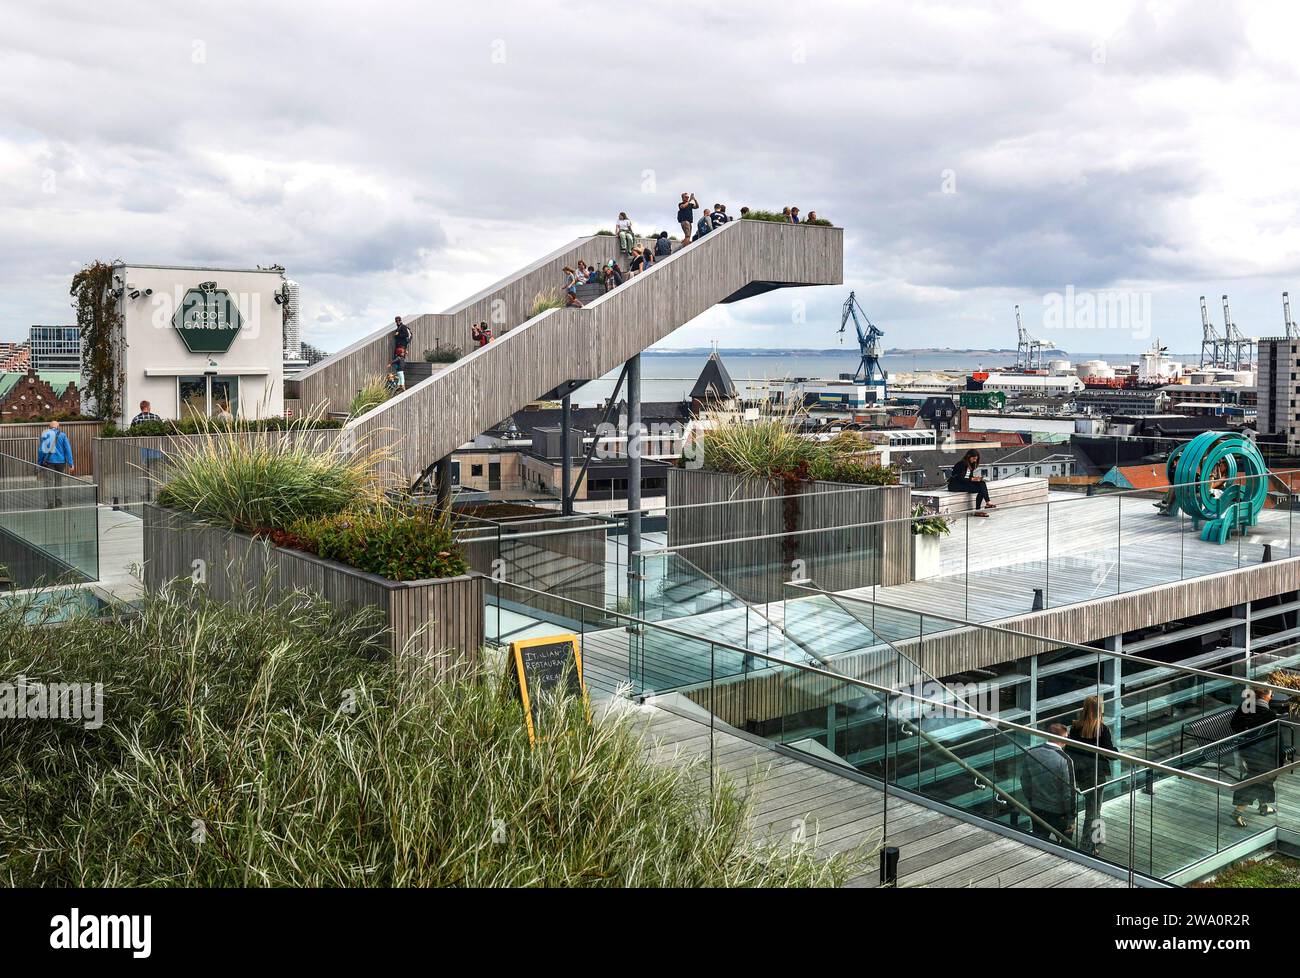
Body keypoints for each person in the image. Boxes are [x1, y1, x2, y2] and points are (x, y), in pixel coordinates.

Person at [1065, 695, 1116, 853]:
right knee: (1093, 811)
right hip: (1095, 775)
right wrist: (1116, 751)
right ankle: (1087, 848)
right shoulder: (1102, 729)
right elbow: (1111, 754)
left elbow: (1070, 749)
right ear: (1100, 710)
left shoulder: (1075, 727)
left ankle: (1095, 842)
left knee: (1093, 810)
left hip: (1078, 773)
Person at [1228, 686, 1280, 827]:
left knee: (1262, 777)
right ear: (1264, 696)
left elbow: (1235, 724)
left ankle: (1263, 806)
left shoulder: (1246, 706)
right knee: (1260, 778)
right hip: (1262, 753)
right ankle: (1238, 811)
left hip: (1245, 749)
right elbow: (1274, 738)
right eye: (1270, 693)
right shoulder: (1268, 715)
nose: (1272, 695)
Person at [1021, 724, 1078, 845]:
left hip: (1037, 807)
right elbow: (1069, 792)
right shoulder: (1065, 760)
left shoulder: (1031, 752)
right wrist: (1071, 818)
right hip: (1058, 811)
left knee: (1039, 843)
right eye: (1066, 738)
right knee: (1066, 846)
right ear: (1061, 739)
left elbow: (1025, 780)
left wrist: (1031, 800)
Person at [37, 420, 75, 509]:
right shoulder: (63, 435)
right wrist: (71, 463)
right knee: (58, 482)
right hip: (61, 462)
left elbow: (41, 451)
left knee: (49, 483)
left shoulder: (45, 435)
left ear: (49, 427)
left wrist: (39, 463)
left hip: (49, 462)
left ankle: (50, 504)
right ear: (58, 427)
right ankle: (59, 503)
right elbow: (67, 450)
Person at [948, 450, 996, 515]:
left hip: (963, 483)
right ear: (968, 456)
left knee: (982, 483)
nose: (975, 461)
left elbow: (968, 477)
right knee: (981, 489)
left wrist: (976, 478)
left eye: (976, 459)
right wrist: (973, 479)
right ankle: (979, 510)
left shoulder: (970, 465)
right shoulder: (962, 464)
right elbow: (961, 478)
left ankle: (987, 502)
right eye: (973, 458)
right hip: (956, 485)